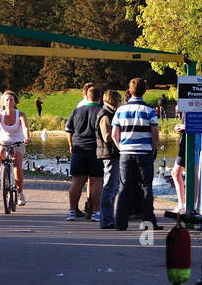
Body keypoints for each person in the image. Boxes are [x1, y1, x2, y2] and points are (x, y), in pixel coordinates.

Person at [112, 78, 160, 232]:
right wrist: (153, 149)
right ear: (144, 91)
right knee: (146, 186)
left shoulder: (120, 110)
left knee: (124, 187)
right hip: (144, 152)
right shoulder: (149, 111)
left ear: (129, 90)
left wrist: (121, 148)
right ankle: (148, 223)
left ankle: (121, 223)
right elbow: (155, 135)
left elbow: (114, 134)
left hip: (126, 153)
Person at [65, 85, 105, 221]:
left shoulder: (76, 111)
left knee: (77, 181)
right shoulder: (101, 111)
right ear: (100, 98)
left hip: (78, 148)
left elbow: (68, 131)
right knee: (96, 181)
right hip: (96, 150)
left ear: (87, 97)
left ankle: (71, 211)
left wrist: (71, 145)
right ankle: (97, 212)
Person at [0, 90, 30, 206]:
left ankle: (20, 194)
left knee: (17, 165)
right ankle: (0, 169)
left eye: (11, 100)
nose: (9, 102)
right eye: (6, 100)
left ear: (15, 102)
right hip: (4, 139)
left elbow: (25, 127)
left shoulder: (20, 114)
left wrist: (27, 137)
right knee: (0, 151)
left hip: (18, 141)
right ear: (3, 103)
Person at [96, 89, 123, 228]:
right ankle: (106, 220)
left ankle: (109, 218)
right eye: (119, 100)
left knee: (113, 187)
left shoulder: (109, 113)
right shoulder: (106, 115)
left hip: (111, 154)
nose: (120, 103)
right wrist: (119, 132)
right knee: (109, 187)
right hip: (109, 154)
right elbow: (106, 136)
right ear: (114, 100)